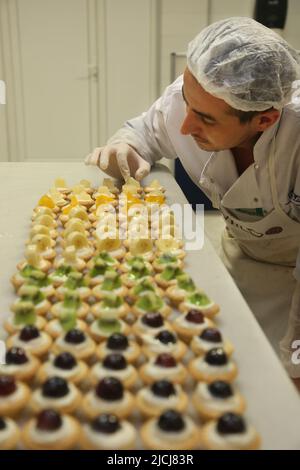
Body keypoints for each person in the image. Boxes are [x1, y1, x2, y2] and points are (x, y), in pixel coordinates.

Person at [85, 17, 300, 387]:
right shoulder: (199, 94)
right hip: (240, 256)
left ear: (265, 119)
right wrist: (127, 148)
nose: (184, 127)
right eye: (187, 101)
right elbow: (146, 131)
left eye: (204, 119)